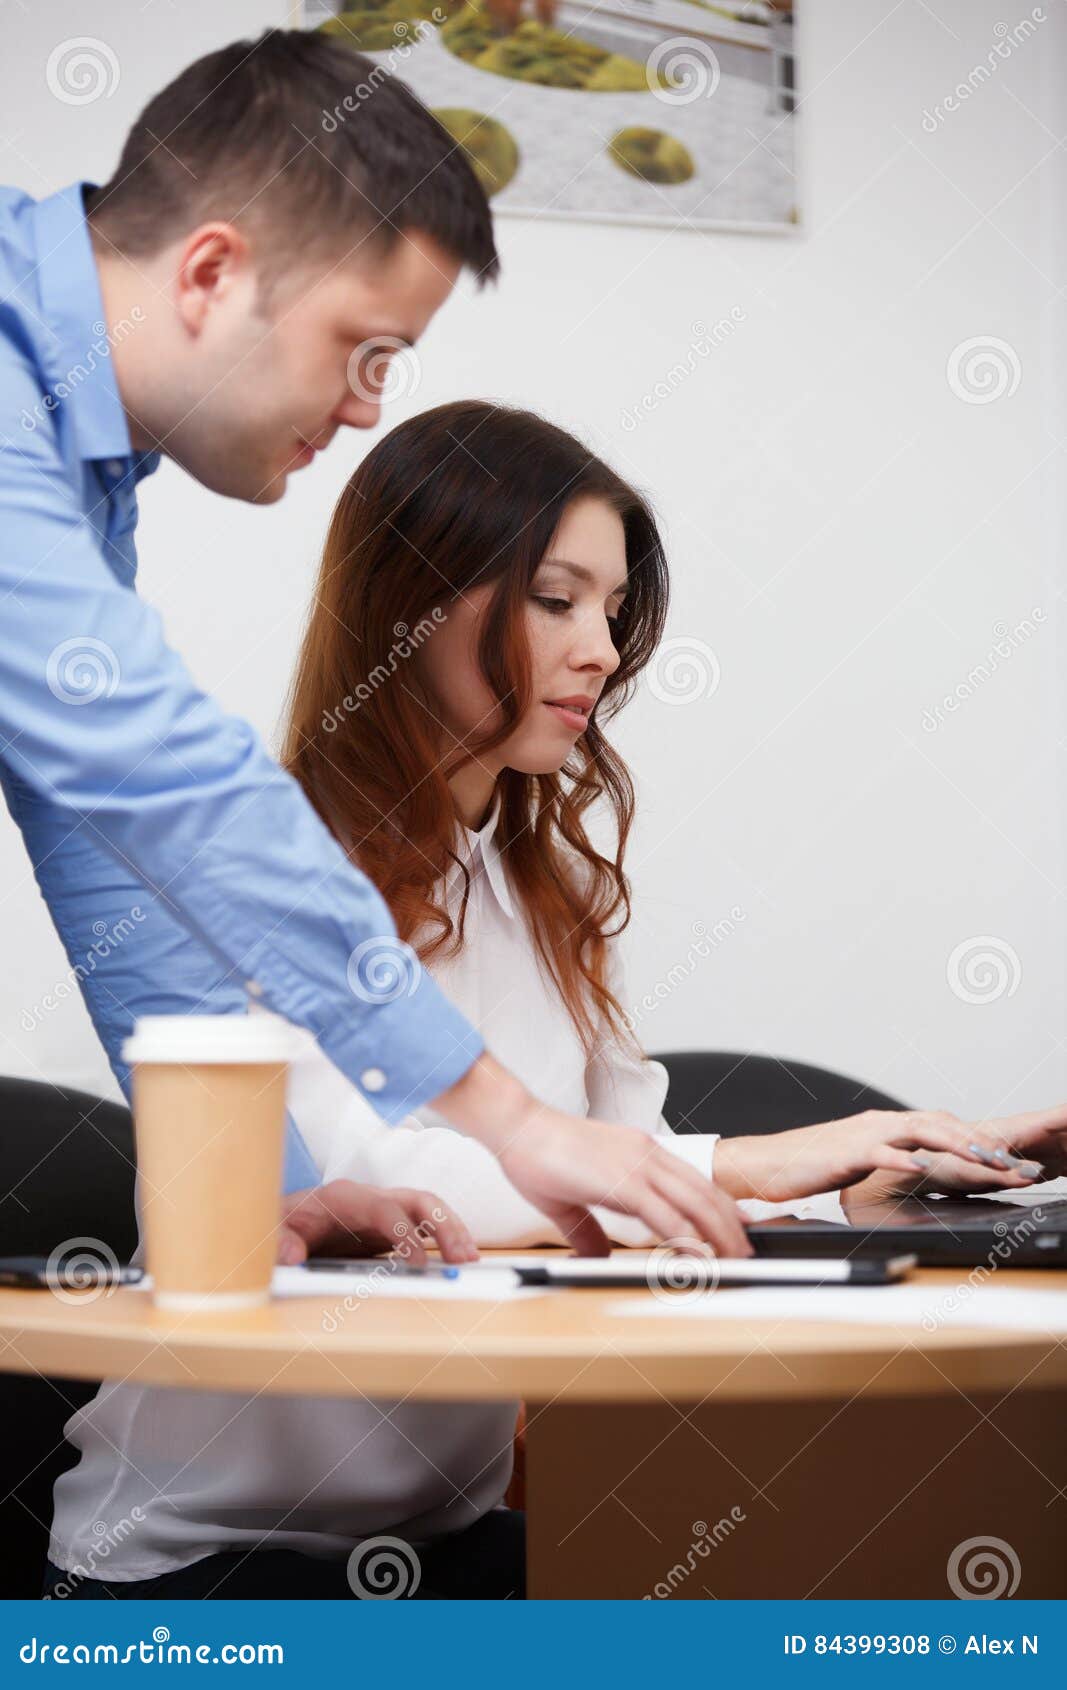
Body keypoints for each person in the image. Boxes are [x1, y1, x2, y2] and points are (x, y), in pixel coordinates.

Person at [46, 404, 1058, 1600]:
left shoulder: (553, 888)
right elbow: (389, 1172)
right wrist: (751, 1157)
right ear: (409, 603)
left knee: (859, 1617)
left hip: (435, 1542)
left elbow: (631, 1174)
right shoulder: (277, 861)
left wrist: (867, 1196)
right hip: (198, 1561)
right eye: (555, 598)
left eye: (612, 612)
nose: (601, 649)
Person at [0, 28, 745, 1262]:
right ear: (210, 275)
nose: (365, 407)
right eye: (364, 350)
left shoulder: (79, 455)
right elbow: (166, 776)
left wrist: (265, 1184)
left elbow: (108, 853)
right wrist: (509, 1117)